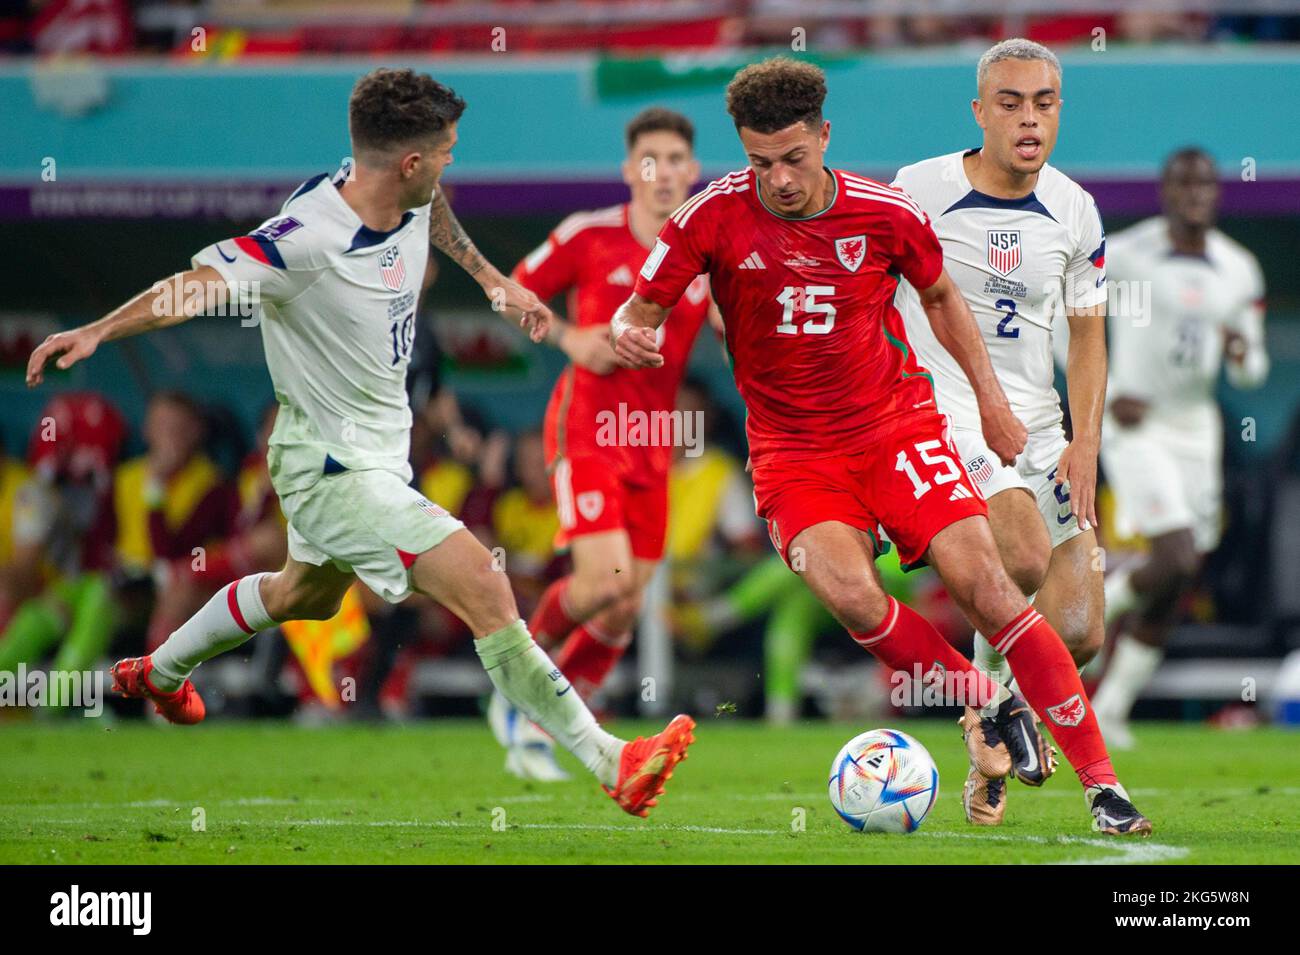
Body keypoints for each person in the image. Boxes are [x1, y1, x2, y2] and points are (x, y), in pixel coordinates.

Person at [26, 67, 695, 818]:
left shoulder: (394, 188)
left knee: (300, 592)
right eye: (445, 152)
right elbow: (192, 285)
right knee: (483, 581)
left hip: (376, 457)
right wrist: (96, 330)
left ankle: (157, 671)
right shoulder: (305, 239)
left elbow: (433, 207)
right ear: (409, 161)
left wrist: (487, 278)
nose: (450, 164)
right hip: (331, 469)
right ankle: (612, 760)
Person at [611, 56, 1151, 835]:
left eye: (795, 158)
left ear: (825, 137)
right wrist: (632, 336)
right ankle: (986, 703)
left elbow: (940, 297)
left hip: (895, 427)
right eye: (761, 162)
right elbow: (639, 310)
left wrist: (995, 404)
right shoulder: (709, 218)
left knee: (997, 586)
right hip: (794, 454)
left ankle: (1104, 787)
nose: (782, 180)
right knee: (854, 594)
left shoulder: (884, 210)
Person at [892, 38, 1109, 824]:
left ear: (1059, 111)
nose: (1028, 118)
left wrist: (1085, 439)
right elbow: (867, 284)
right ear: (979, 112)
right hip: (948, 407)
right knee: (1015, 555)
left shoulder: (1077, 208)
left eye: (1044, 103)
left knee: (1080, 630)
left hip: (1043, 423)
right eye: (1010, 103)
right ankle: (997, 721)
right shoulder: (919, 190)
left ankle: (992, 714)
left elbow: (1088, 334)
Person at [488, 107, 716, 779]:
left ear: (693, 171)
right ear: (629, 171)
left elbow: (739, 328)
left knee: (627, 599)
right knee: (605, 580)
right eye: (650, 159)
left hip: (654, 442)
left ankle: (544, 718)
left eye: (676, 159)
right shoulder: (590, 235)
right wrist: (569, 338)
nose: (664, 171)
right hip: (586, 426)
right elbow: (508, 294)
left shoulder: (707, 251)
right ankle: (513, 673)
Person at [1092, 147, 1268, 748]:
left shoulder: (1239, 268)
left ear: (1217, 194)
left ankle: (1111, 708)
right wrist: (1104, 379)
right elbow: (1069, 300)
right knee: (1173, 557)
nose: (1194, 193)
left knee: (1181, 575)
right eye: (1182, 183)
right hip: (1136, 423)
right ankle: (1082, 630)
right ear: (1165, 191)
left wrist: (1244, 357)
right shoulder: (1127, 252)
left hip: (1197, 428)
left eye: (1204, 184)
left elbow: (1252, 369)